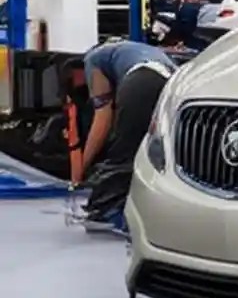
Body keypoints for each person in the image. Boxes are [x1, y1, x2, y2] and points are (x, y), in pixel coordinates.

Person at [61, 40, 176, 233]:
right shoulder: (128, 50)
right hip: (171, 83)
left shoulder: (93, 60)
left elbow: (102, 119)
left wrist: (82, 168)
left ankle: (104, 211)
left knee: (122, 154)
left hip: (142, 81)